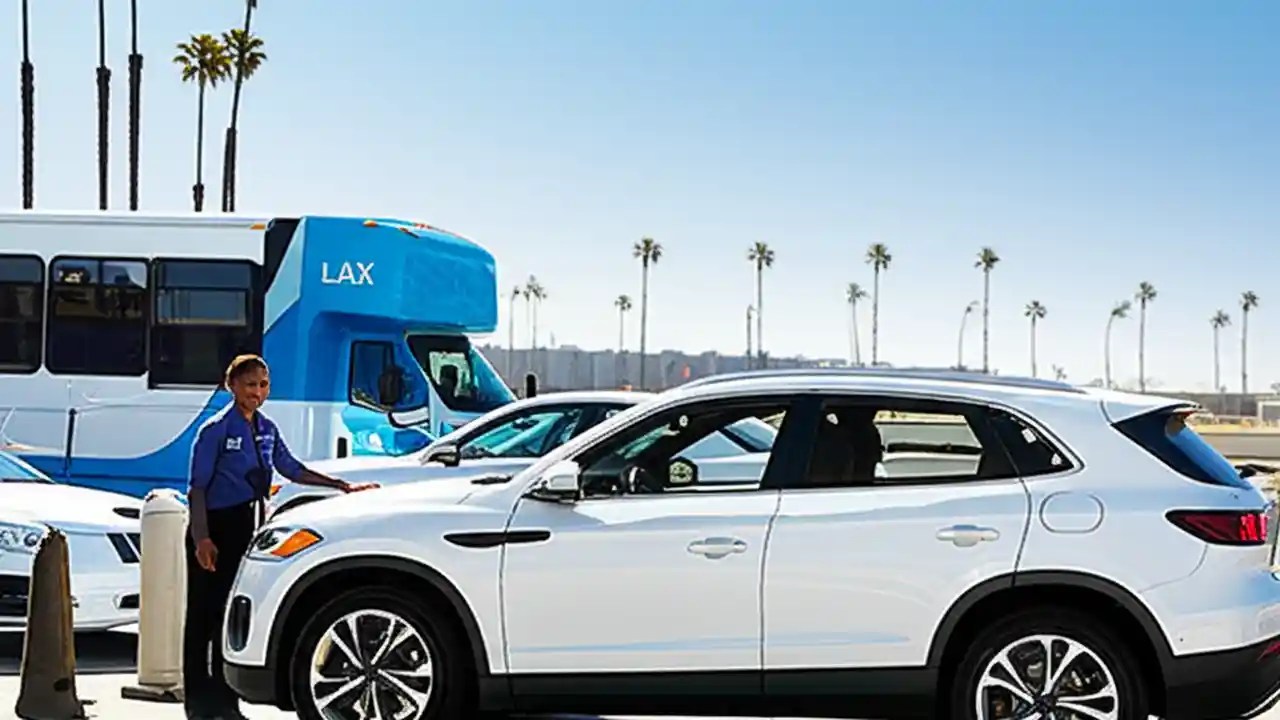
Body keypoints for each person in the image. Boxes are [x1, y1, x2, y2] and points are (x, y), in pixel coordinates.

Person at [183, 354, 377, 720]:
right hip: (214, 525)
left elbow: (291, 467)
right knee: (203, 616)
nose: (257, 392)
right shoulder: (216, 430)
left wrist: (341, 485)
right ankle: (198, 700)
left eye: (263, 385)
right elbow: (197, 489)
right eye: (250, 384)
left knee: (229, 614)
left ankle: (227, 700)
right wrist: (201, 539)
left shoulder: (267, 428)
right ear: (233, 386)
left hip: (247, 524)